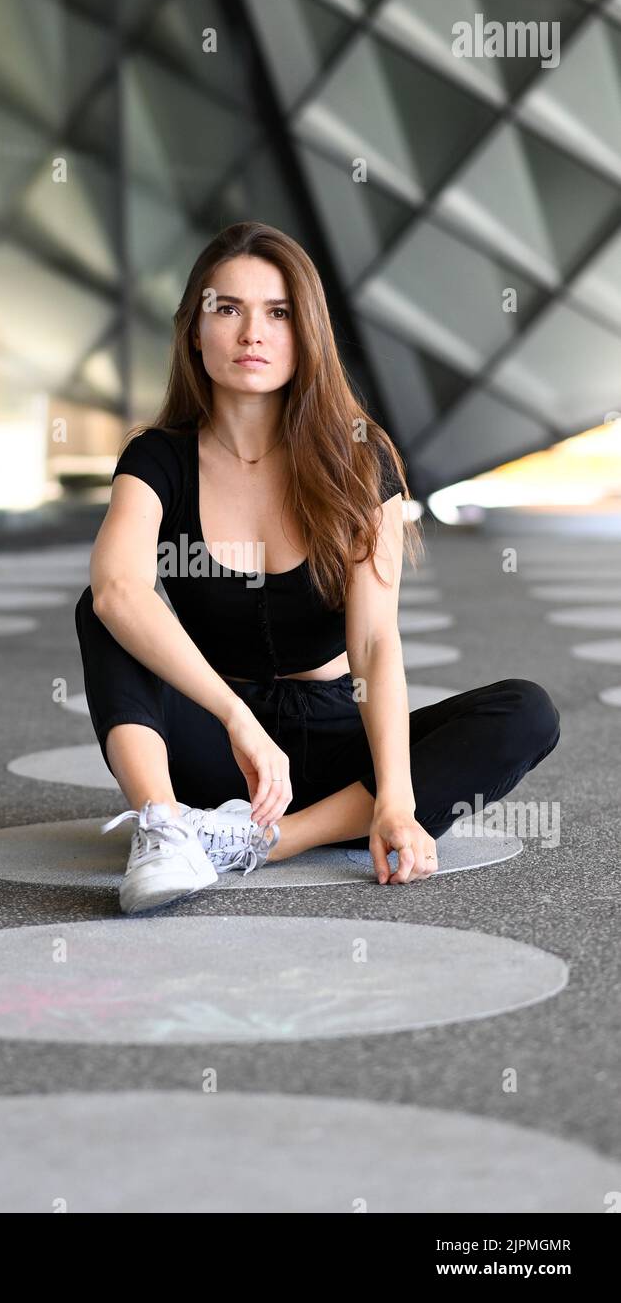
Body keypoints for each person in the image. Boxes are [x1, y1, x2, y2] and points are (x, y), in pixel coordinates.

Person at [75, 221, 561, 915]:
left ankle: (262, 841)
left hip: (339, 747)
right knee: (101, 608)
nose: (253, 333)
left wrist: (395, 798)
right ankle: (165, 829)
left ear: (307, 334)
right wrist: (235, 717)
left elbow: (371, 644)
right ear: (193, 330)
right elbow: (118, 586)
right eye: (228, 309)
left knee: (524, 711)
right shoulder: (157, 458)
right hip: (217, 752)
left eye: (277, 313)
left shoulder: (359, 461)